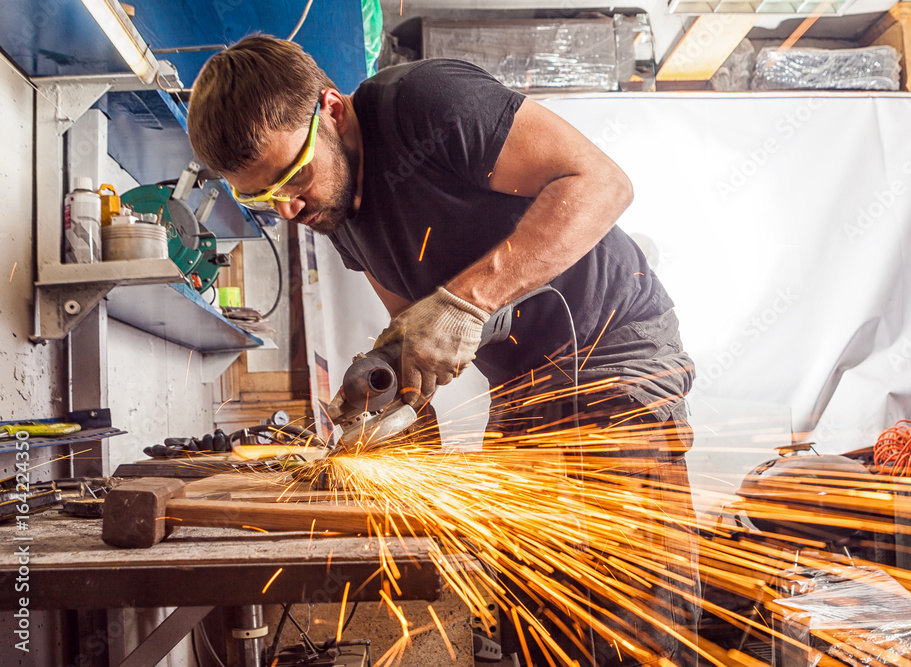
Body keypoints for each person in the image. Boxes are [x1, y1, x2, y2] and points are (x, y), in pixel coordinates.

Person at [188, 35, 699, 666]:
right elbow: (417, 332)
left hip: (617, 351)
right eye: (260, 198)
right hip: (521, 385)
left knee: (631, 600)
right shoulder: (338, 213)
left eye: (294, 178)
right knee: (531, 599)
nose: (289, 208)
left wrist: (469, 299)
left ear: (332, 110)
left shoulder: (425, 104)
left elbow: (602, 182)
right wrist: (382, 400)